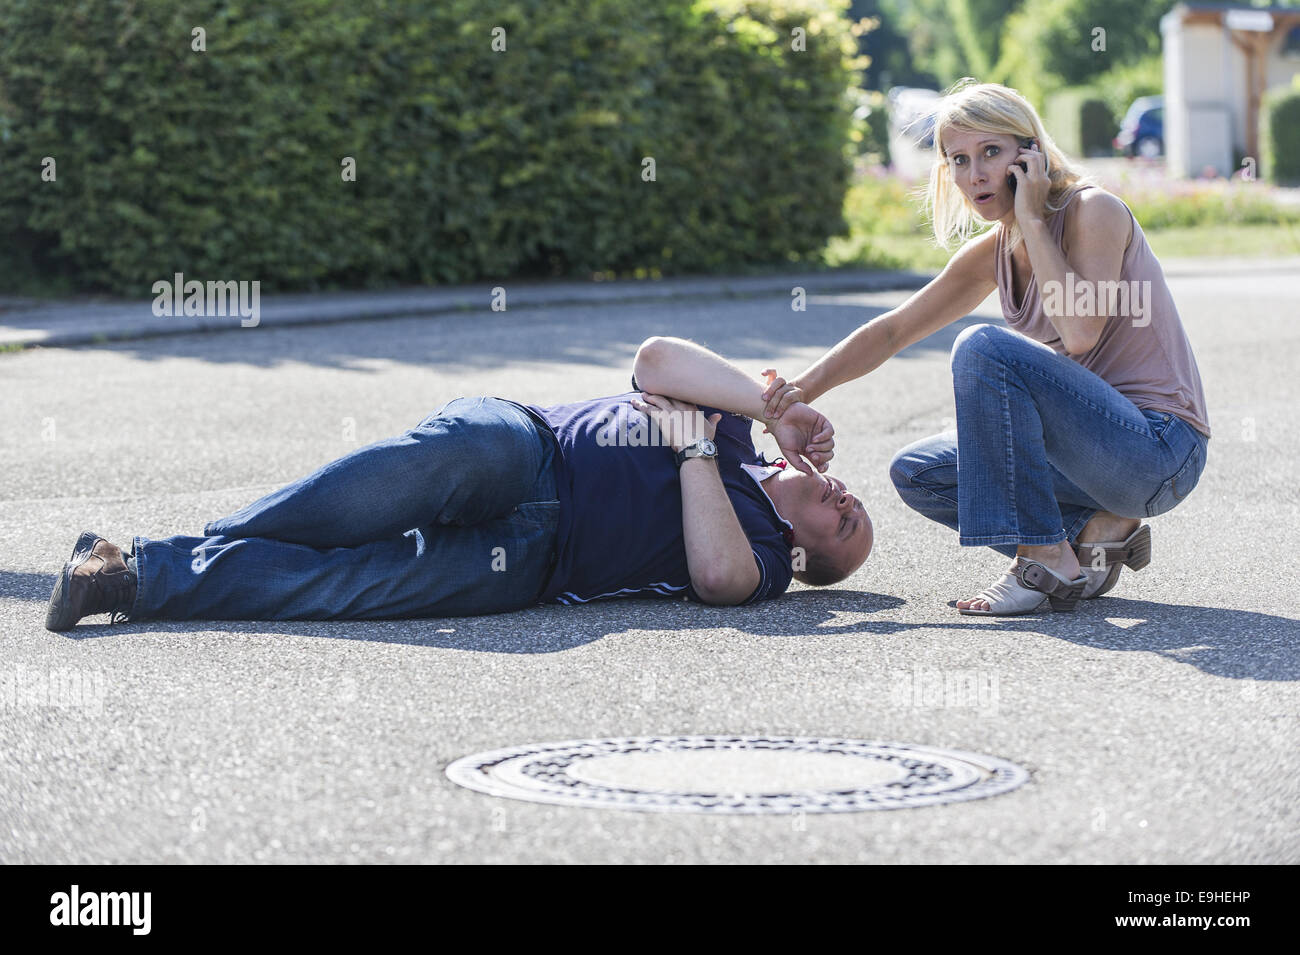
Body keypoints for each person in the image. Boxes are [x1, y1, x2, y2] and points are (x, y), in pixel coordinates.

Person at [45, 337, 872, 631]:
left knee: (352, 582)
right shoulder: (737, 421)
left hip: (537, 559)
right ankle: (176, 555)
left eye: (845, 530)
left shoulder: (761, 558)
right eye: (854, 500)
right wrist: (778, 407)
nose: (845, 502)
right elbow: (654, 359)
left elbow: (717, 578)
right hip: (527, 447)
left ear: (805, 559)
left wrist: (693, 452)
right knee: (383, 488)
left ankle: (130, 573)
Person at [759, 80, 1210, 616]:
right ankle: (1091, 535)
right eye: (958, 159)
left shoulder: (1094, 212)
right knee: (918, 470)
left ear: (1030, 154)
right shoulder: (993, 251)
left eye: (991, 153)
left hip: (1160, 451)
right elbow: (894, 331)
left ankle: (1040, 557)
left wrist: (1035, 217)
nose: (974, 175)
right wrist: (793, 396)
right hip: (1094, 463)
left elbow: (1081, 331)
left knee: (983, 348)